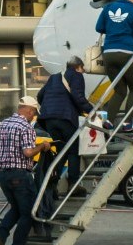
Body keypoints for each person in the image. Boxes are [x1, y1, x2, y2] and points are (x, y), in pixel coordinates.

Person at [0, 96, 41, 245]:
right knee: (28, 213)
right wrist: (42, 147)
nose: (34, 117)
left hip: (3, 175)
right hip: (20, 174)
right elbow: (28, 152)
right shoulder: (25, 126)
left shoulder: (3, 124)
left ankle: (0, 235)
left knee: (17, 209)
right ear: (30, 111)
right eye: (34, 113)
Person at [36, 55, 95, 202]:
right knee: (74, 150)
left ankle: (53, 184)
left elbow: (40, 95)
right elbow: (78, 96)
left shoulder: (54, 77)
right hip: (65, 118)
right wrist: (92, 110)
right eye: (82, 69)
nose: (83, 72)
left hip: (49, 119)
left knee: (61, 151)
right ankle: (73, 185)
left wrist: (49, 109)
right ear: (77, 67)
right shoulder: (76, 76)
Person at [96, 0, 133, 131]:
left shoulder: (108, 7)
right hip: (127, 53)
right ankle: (127, 123)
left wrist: (113, 28)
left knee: (119, 90)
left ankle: (109, 121)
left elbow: (99, 28)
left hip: (109, 54)